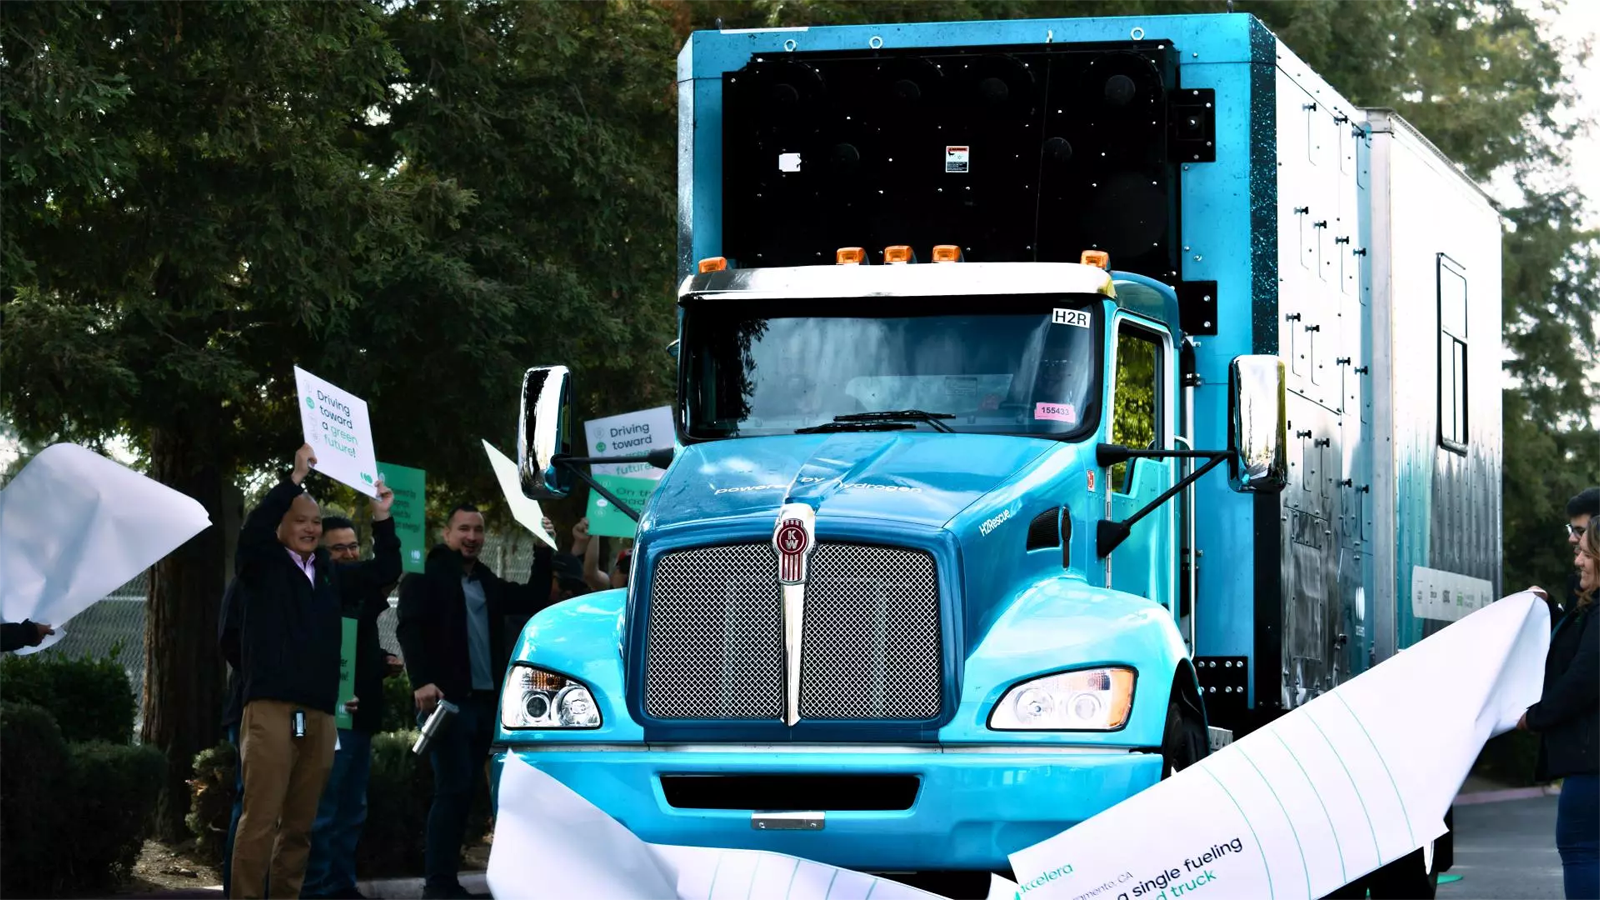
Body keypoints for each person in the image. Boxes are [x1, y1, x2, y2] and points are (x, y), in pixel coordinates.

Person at [230, 444, 398, 900]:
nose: (309, 528)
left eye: (315, 522)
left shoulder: (329, 572)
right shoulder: (260, 565)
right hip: (271, 708)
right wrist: (294, 480)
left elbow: (387, 568)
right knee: (260, 819)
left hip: (318, 715)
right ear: (281, 525)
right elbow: (255, 529)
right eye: (300, 520)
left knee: (301, 825)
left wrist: (382, 517)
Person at [397, 503, 553, 900]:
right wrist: (422, 681)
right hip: (448, 704)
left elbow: (533, 597)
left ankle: (457, 882)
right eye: (464, 529)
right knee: (451, 792)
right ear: (447, 533)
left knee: (472, 794)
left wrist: (542, 549)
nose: (471, 537)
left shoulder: (485, 580)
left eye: (478, 530)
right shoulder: (423, 576)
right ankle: (438, 885)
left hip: (487, 705)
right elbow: (409, 629)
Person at [302, 515, 404, 900]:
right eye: (338, 548)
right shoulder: (319, 594)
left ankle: (341, 886)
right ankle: (317, 889)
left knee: (352, 810)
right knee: (324, 811)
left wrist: (381, 662)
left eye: (353, 546)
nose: (348, 554)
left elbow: (355, 653)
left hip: (360, 720)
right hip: (331, 718)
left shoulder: (361, 597)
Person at [1518, 517, 1600, 898]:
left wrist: (1535, 717)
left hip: (1592, 766)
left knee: (1581, 850)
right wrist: (1550, 608)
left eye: (1586, 553)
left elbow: (1583, 678)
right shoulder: (1592, 611)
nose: (1577, 561)